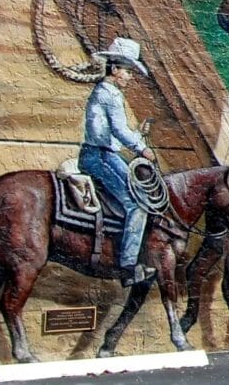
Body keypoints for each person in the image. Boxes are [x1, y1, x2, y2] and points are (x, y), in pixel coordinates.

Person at [77, 37, 155, 286]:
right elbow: (119, 131)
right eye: (127, 71)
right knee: (138, 204)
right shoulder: (111, 95)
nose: (129, 77)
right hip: (101, 157)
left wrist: (137, 136)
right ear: (114, 69)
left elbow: (114, 131)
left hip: (102, 153)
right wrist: (142, 149)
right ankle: (128, 266)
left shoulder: (104, 92)